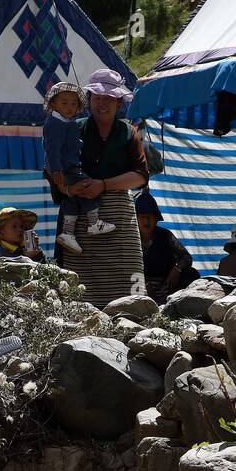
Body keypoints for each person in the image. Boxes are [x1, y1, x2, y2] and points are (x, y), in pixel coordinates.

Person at [49, 67, 148, 308]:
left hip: (119, 219)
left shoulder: (127, 132)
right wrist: (70, 189)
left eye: (109, 98)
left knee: (130, 283)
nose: (102, 103)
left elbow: (140, 176)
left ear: (118, 102)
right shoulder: (72, 128)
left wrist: (102, 185)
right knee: (81, 288)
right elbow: (53, 168)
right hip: (80, 221)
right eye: (97, 97)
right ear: (89, 100)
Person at [43, 79, 115, 255]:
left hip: (70, 167)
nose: (70, 107)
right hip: (67, 169)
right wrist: (56, 170)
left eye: (74, 104)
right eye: (64, 103)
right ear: (53, 104)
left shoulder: (69, 123)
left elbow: (69, 145)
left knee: (73, 198)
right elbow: (52, 149)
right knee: (87, 186)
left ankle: (68, 232)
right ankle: (93, 222)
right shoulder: (55, 123)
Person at [134, 190, 199, 303]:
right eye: (142, 217)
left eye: (150, 216)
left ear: (156, 219)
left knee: (191, 274)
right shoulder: (131, 238)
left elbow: (186, 258)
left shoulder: (165, 235)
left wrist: (176, 270)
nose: (146, 220)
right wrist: (143, 284)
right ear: (136, 219)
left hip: (167, 287)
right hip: (138, 287)